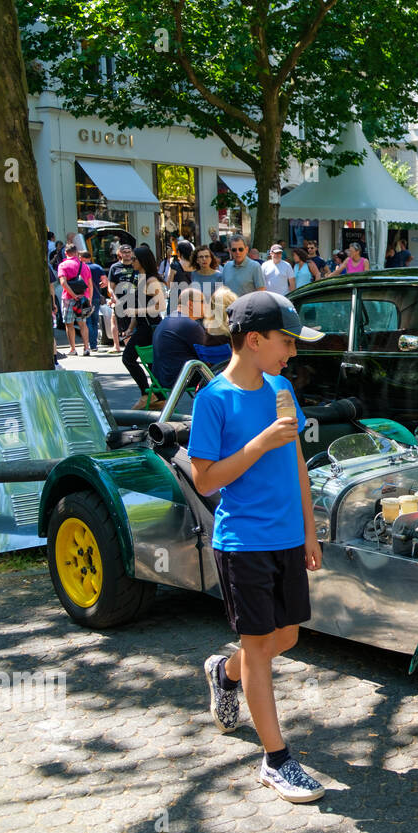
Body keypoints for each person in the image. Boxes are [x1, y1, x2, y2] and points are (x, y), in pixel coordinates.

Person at [187, 290, 328, 803]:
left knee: (283, 638)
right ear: (254, 339)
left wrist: (309, 531)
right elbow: (205, 480)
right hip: (243, 542)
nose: (291, 352)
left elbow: (296, 466)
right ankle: (276, 760)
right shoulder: (213, 400)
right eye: (285, 341)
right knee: (260, 649)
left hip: (288, 538)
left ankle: (223, 673)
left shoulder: (281, 385)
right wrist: (259, 442)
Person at [151, 287, 233, 390]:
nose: (206, 305)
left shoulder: (168, 320)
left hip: (161, 379)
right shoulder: (188, 325)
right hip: (180, 378)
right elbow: (211, 355)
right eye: (203, 301)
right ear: (190, 304)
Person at [120, 244, 168, 409]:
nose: (130, 261)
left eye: (134, 258)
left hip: (151, 326)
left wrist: (136, 311)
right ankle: (159, 397)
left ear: (142, 261)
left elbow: (160, 306)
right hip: (143, 326)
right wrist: (130, 328)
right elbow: (139, 305)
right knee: (150, 363)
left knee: (128, 358)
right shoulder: (139, 278)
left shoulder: (151, 280)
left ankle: (147, 394)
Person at [57, 246, 93, 357]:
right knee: (83, 324)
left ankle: (73, 348)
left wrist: (74, 295)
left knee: (69, 324)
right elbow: (90, 285)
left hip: (68, 298)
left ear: (65, 253)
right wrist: (89, 299)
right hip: (83, 298)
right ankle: (86, 348)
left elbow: (63, 283)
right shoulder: (85, 266)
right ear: (76, 252)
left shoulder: (62, 265)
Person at [79, 249, 111, 352]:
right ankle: (94, 345)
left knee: (87, 321)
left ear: (82, 258)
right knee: (94, 320)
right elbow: (105, 282)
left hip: (84, 296)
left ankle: (89, 344)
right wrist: (99, 285)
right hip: (96, 296)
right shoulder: (97, 267)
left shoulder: (81, 268)